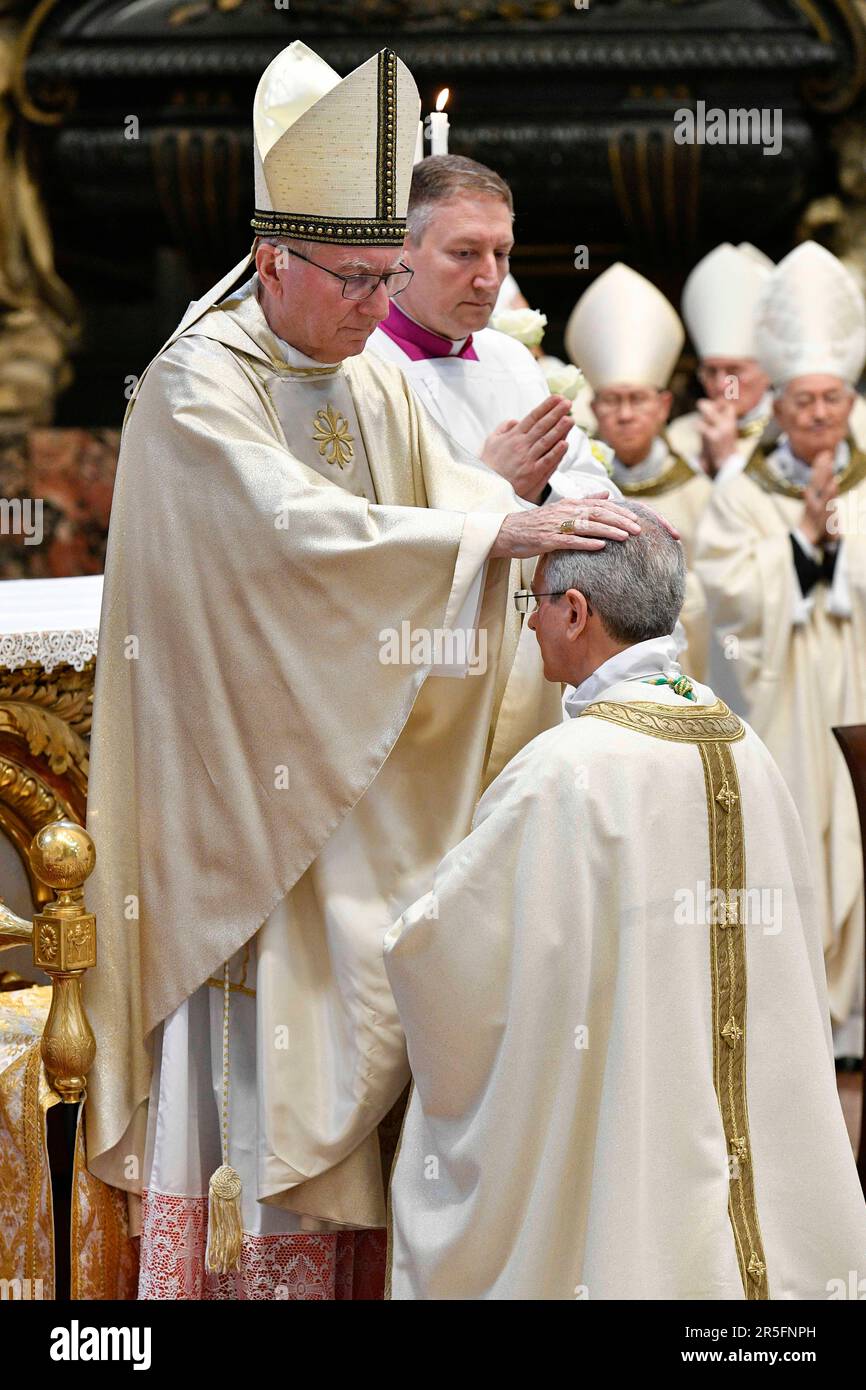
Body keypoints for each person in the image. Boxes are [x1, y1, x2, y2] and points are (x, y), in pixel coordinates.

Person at [81, 40, 642, 1301]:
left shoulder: (363, 372)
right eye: (349, 277)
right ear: (271, 258)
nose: (365, 302)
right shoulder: (193, 384)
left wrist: (514, 534)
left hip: (355, 788)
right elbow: (291, 537)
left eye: (383, 275)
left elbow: (435, 510)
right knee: (252, 1093)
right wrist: (480, 528)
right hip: (243, 804)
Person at [384, 502, 866, 1300]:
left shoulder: (567, 768)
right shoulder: (743, 743)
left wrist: (388, 923)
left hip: (640, 1117)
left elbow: (448, 954)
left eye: (532, 605)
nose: (530, 626)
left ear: (575, 612)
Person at [697, 240, 866, 1061]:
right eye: (803, 400)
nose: (818, 415)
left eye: (832, 398)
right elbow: (725, 591)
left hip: (856, 681)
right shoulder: (741, 489)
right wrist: (801, 540)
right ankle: (797, 1017)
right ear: (782, 403)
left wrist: (843, 545)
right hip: (786, 698)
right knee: (798, 832)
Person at [367, 154, 613, 506]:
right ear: (401, 249)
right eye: (465, 252)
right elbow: (363, 527)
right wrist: (491, 485)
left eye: (501, 253)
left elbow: (601, 491)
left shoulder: (512, 358)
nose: (490, 279)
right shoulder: (360, 362)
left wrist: (541, 489)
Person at [565, 262, 711, 679]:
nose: (625, 414)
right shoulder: (578, 492)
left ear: (664, 406)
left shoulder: (700, 493)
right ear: (593, 408)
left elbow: (719, 599)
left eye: (637, 399)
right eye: (612, 400)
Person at [668, 242, 774, 479]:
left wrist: (727, 460)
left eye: (734, 371)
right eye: (710, 371)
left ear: (767, 371)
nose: (722, 384)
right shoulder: (679, 435)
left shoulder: (789, 432)